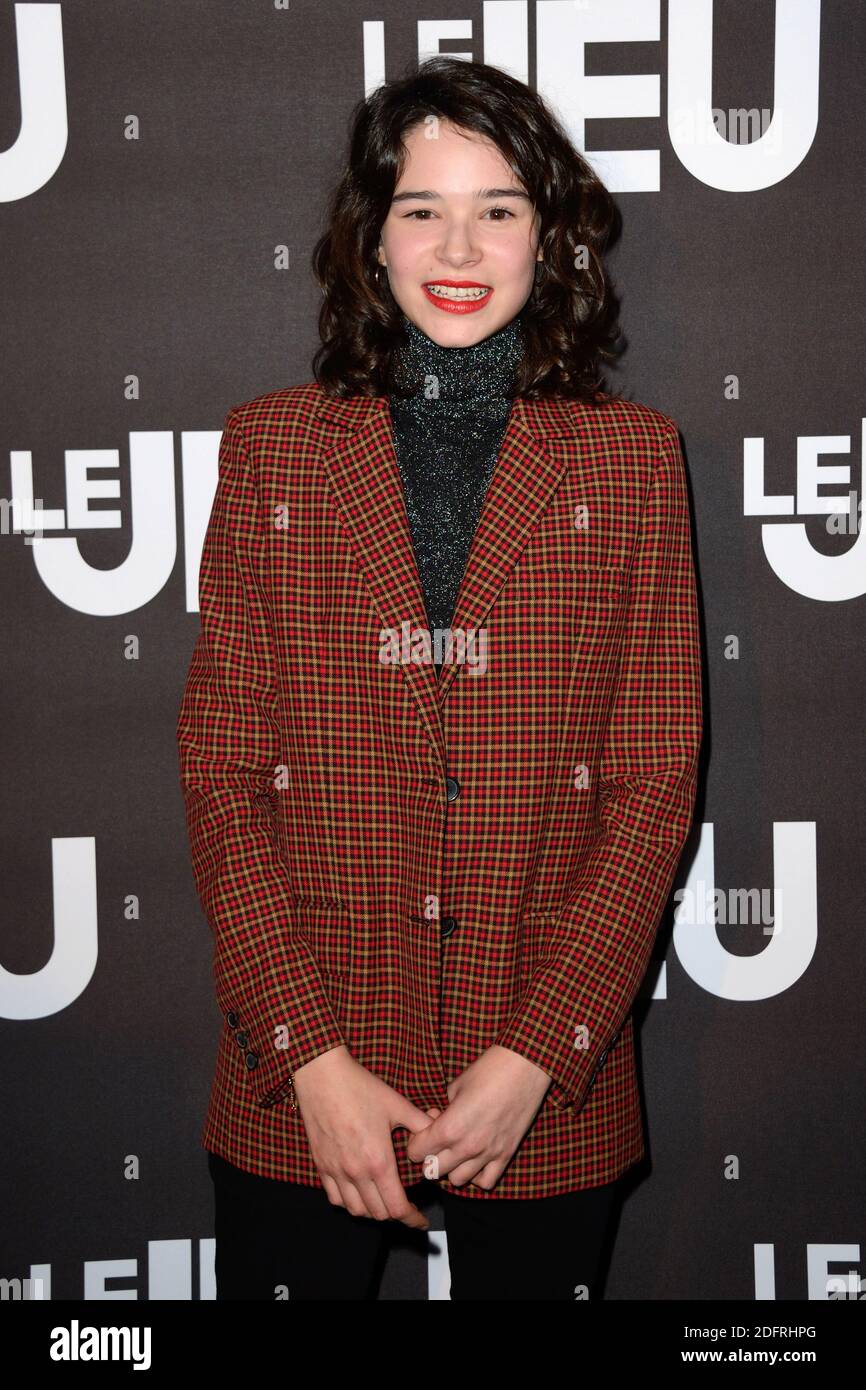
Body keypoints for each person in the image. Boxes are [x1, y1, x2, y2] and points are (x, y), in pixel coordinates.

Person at [176, 55, 703, 1301]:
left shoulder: (632, 462)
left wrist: (535, 1054)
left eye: (498, 208)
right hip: (302, 1080)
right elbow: (224, 771)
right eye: (421, 208)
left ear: (547, 236)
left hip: (544, 1080)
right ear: (371, 237)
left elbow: (649, 785)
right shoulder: (269, 449)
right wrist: (309, 1059)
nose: (456, 245)